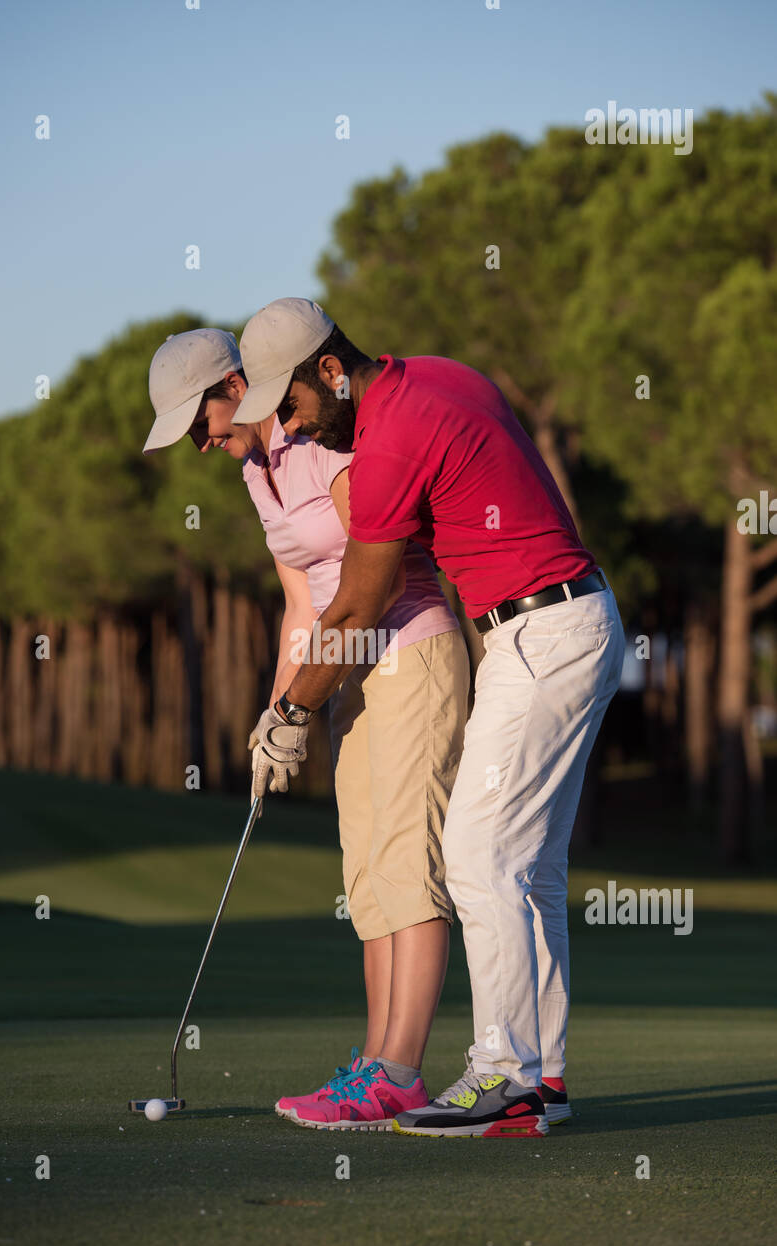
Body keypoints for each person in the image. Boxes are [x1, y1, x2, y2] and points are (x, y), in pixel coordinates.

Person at [234, 297, 625, 1139]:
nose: (292, 428)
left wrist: (290, 712)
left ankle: (504, 1077)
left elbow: (361, 602)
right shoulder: (442, 375)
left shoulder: (388, 442)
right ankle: (541, 1081)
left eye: (294, 406)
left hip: (538, 635)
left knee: (477, 856)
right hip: (573, 619)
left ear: (331, 371)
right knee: (529, 869)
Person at [143, 325, 470, 1130]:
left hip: (410, 652)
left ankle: (401, 1069)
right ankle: (371, 1065)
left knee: (407, 862)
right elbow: (301, 603)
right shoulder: (257, 471)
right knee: (366, 873)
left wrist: (304, 702)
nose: (199, 444)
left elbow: (378, 571)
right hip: (341, 673)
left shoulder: (320, 439)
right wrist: (276, 713)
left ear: (232, 385)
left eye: (199, 423)